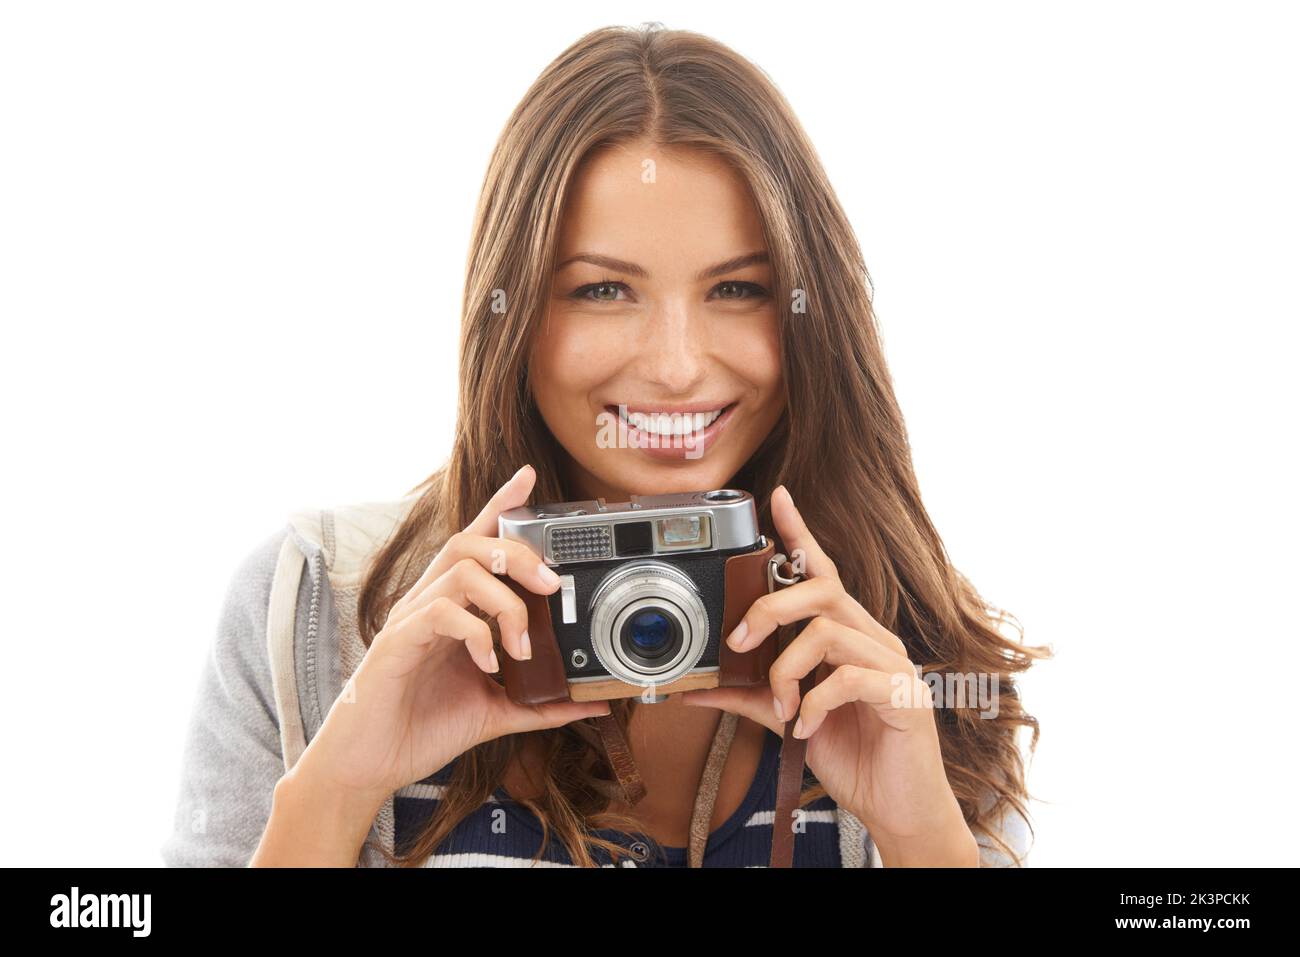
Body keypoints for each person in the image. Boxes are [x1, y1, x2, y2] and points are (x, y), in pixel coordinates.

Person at [163, 23, 1050, 869]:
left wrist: (921, 834)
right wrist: (338, 785)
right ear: (508, 313)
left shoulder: (919, 653)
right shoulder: (317, 611)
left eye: (739, 287)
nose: (674, 365)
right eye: (602, 291)